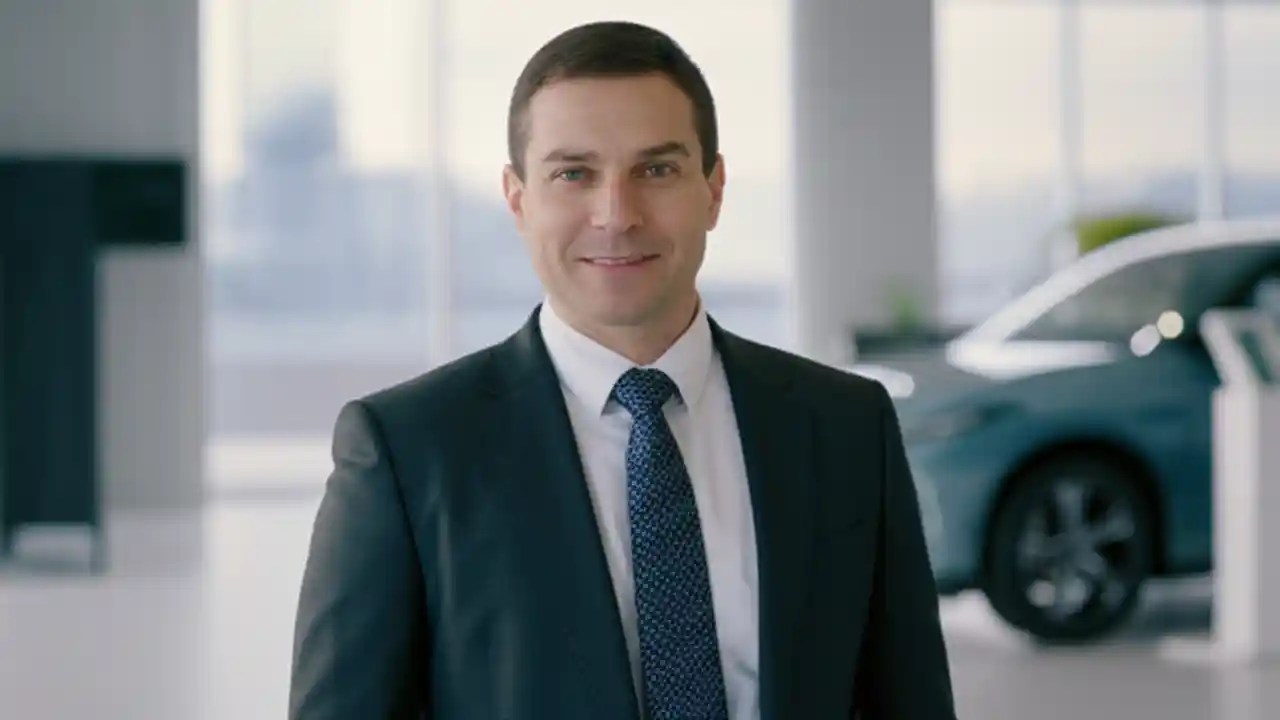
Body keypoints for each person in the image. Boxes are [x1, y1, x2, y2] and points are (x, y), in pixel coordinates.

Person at [289, 20, 956, 720]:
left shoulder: (845, 426)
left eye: (657, 170)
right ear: (520, 200)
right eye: (573, 173)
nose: (616, 214)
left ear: (714, 190)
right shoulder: (408, 451)